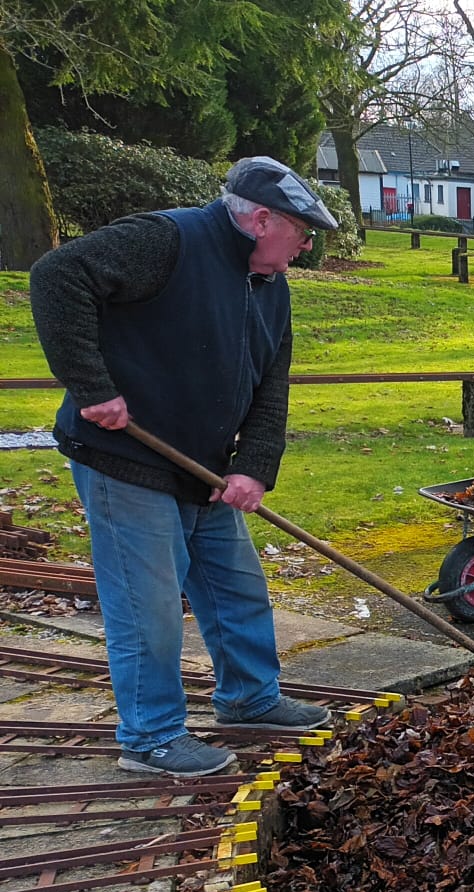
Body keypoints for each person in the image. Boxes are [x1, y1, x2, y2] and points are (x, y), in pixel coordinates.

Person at [28, 157, 338, 778]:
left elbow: (271, 383)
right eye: (301, 234)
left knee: (237, 591)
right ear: (260, 219)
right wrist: (92, 388)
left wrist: (253, 466)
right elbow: (57, 276)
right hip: (127, 461)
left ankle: (250, 699)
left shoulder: (270, 288)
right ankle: (150, 738)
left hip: (204, 471)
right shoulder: (168, 240)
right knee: (150, 608)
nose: (304, 248)